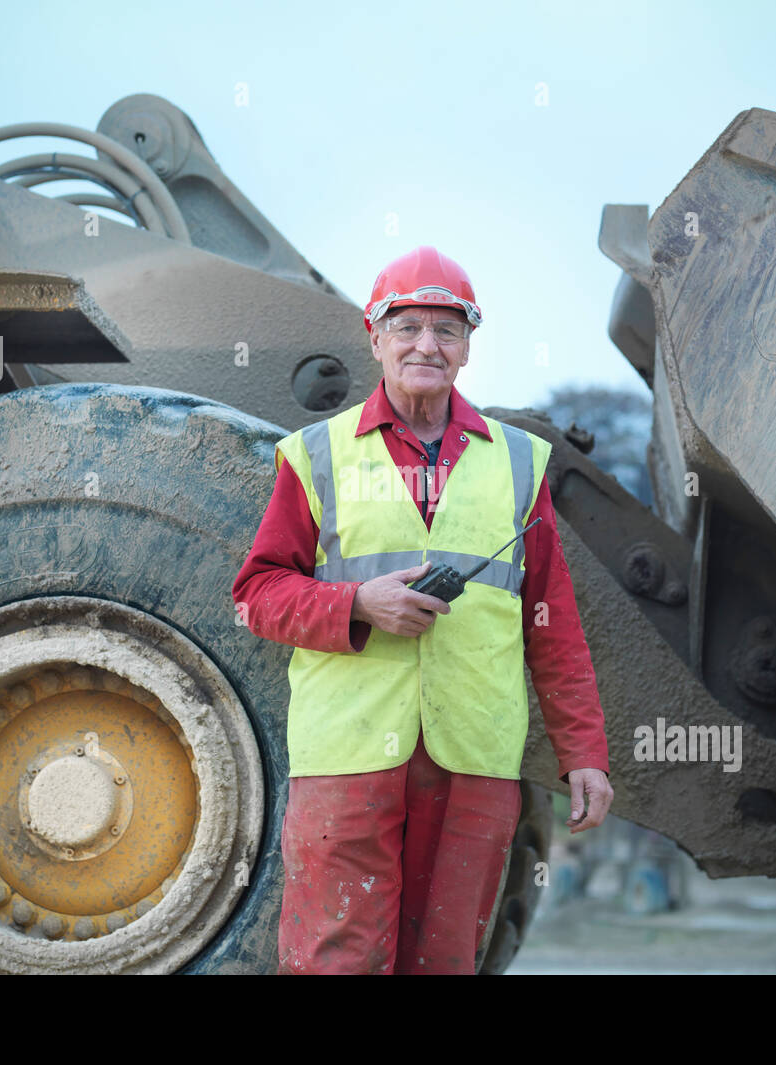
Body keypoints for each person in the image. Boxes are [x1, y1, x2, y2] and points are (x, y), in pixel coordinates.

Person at [232, 245, 613, 974]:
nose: (425, 345)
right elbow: (256, 595)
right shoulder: (315, 456)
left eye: (446, 329)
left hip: (473, 756)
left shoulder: (521, 463)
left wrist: (584, 754)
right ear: (375, 338)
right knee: (332, 959)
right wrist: (358, 604)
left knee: (445, 959)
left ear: (468, 346)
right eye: (406, 326)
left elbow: (552, 626)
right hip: (348, 757)